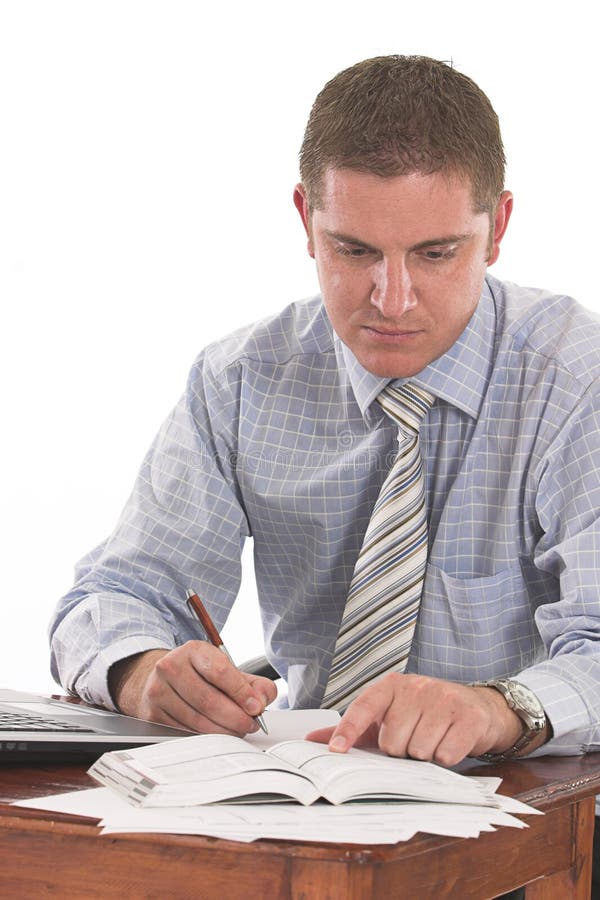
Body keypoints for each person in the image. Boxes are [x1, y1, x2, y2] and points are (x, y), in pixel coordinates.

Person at [50, 54, 600, 896]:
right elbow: (116, 593)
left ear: (501, 225)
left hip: (526, 824)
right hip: (298, 816)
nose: (392, 298)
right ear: (306, 219)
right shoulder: (241, 377)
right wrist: (141, 668)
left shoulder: (575, 380)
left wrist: (498, 708)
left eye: (436, 253)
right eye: (354, 250)